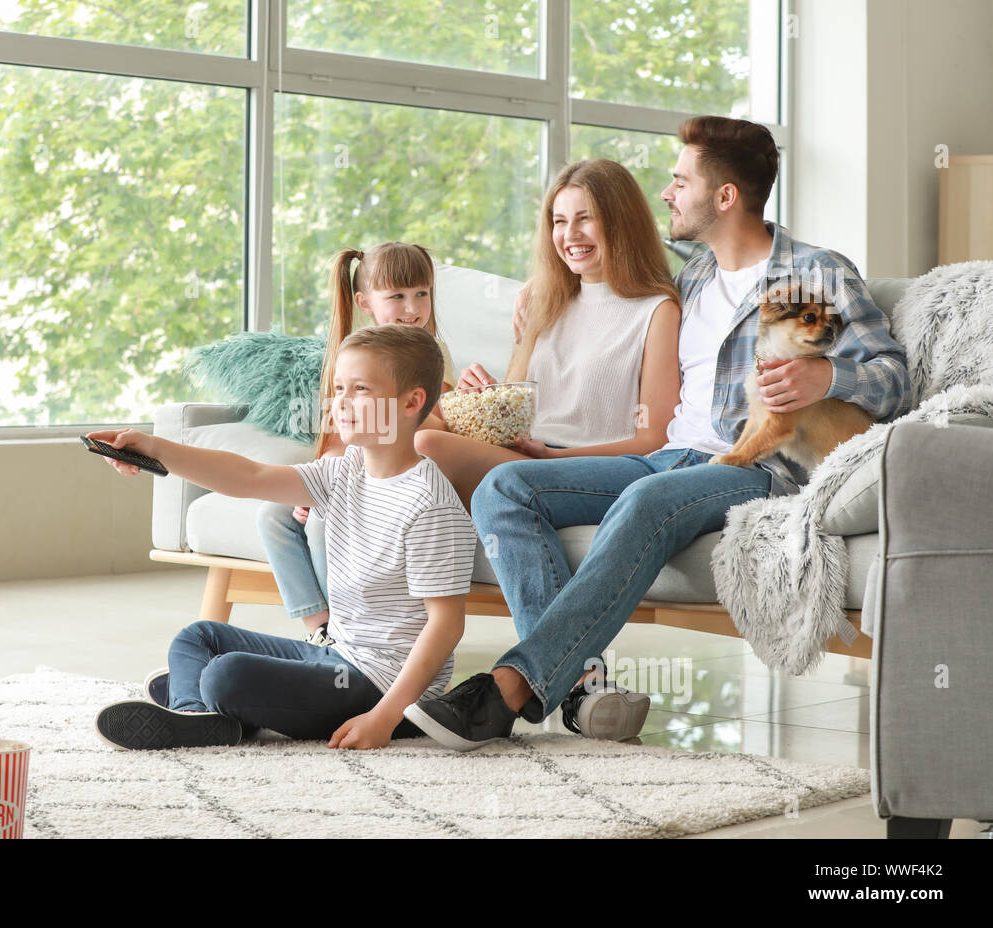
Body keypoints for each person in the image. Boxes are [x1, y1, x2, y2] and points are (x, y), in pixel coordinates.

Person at [404, 115, 912, 751]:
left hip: (752, 466)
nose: (667, 193)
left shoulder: (811, 274)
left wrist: (824, 374)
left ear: (725, 197)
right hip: (666, 456)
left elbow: (894, 378)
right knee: (506, 488)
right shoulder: (693, 276)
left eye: (680, 180)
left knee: (644, 503)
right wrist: (538, 286)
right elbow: (612, 271)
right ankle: (582, 686)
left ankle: (509, 688)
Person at [89, 323, 478, 750]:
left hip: (380, 686)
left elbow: (446, 625)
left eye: (360, 389)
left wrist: (384, 718)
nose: (341, 403)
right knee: (199, 637)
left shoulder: (429, 502)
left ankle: (203, 694)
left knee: (224, 673)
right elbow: (247, 477)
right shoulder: (344, 471)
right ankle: (197, 714)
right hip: (337, 655)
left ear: (411, 402)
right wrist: (155, 446)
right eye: (339, 387)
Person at [415, 159, 682, 512]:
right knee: (393, 440)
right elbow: (515, 413)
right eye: (559, 221)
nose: (570, 235)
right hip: (525, 453)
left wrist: (556, 455)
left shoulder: (657, 311)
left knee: (426, 445)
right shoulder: (544, 304)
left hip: (582, 467)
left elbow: (655, 437)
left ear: (622, 223)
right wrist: (482, 396)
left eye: (585, 218)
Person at [255, 242, 456, 645]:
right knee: (272, 517)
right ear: (365, 302)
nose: (412, 307)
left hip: (393, 477)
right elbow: (335, 439)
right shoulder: (354, 354)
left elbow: (437, 423)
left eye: (422, 293)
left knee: (321, 523)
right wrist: (316, 486)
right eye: (397, 296)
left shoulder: (432, 353)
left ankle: (353, 633)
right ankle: (321, 628)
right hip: (350, 472)